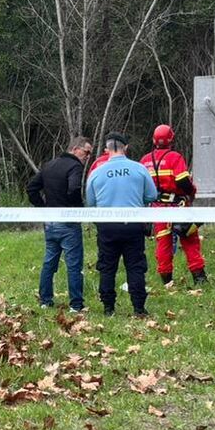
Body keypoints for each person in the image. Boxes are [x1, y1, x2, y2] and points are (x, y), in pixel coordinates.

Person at [84, 132, 157, 317]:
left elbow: (90, 202)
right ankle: (139, 308)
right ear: (126, 148)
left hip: (107, 226)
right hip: (133, 225)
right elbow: (152, 195)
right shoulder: (139, 169)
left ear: (106, 149)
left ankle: (108, 308)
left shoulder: (96, 173)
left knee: (107, 267)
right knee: (136, 266)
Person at [27, 136, 92, 311]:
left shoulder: (49, 165)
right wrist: (77, 209)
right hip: (68, 222)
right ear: (75, 149)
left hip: (50, 222)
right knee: (74, 265)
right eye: (86, 152)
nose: (88, 157)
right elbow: (74, 189)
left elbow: (31, 188)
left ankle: (45, 301)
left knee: (49, 263)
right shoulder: (75, 166)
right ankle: (76, 305)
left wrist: (43, 208)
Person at [139, 124, 207, 285]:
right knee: (189, 239)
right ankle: (199, 278)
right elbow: (183, 180)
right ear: (171, 139)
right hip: (177, 206)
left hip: (157, 208)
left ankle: (167, 281)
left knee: (163, 243)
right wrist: (191, 193)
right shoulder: (174, 157)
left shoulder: (145, 160)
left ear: (153, 140)